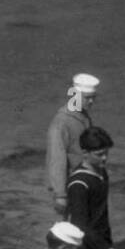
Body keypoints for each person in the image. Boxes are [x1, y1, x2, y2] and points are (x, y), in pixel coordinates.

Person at [46, 73, 98, 217]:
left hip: (83, 183)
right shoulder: (61, 123)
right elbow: (57, 159)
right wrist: (60, 195)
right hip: (70, 188)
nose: (92, 101)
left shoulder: (83, 117)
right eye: (88, 97)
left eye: (94, 97)